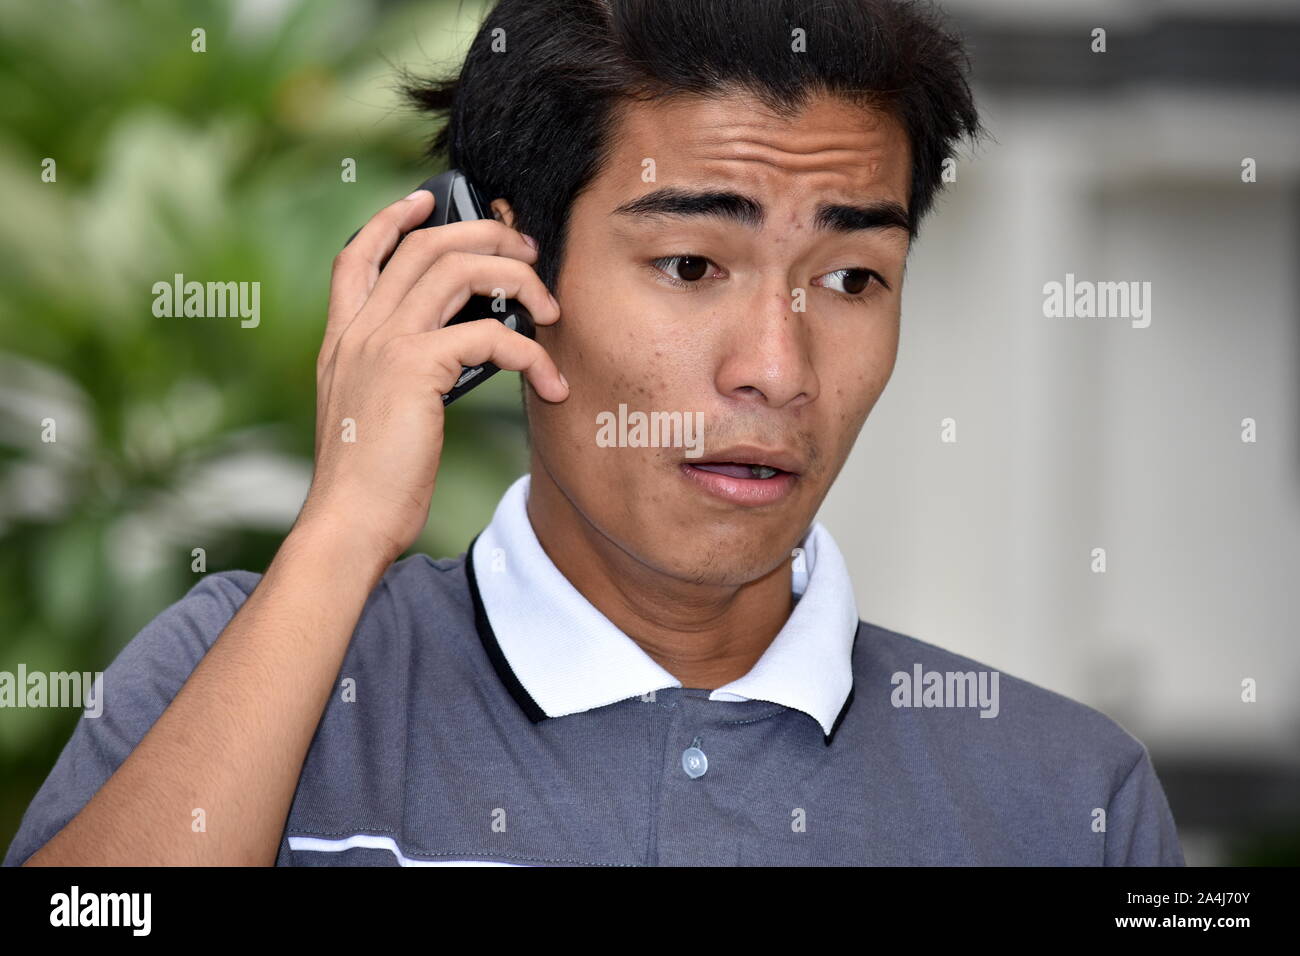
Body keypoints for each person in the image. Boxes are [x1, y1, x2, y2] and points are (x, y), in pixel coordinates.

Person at [5, 0, 1184, 866]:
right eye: (689, 263)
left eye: (851, 279)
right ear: (498, 276)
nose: (776, 370)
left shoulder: (1067, 798)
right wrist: (342, 529)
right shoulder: (247, 673)